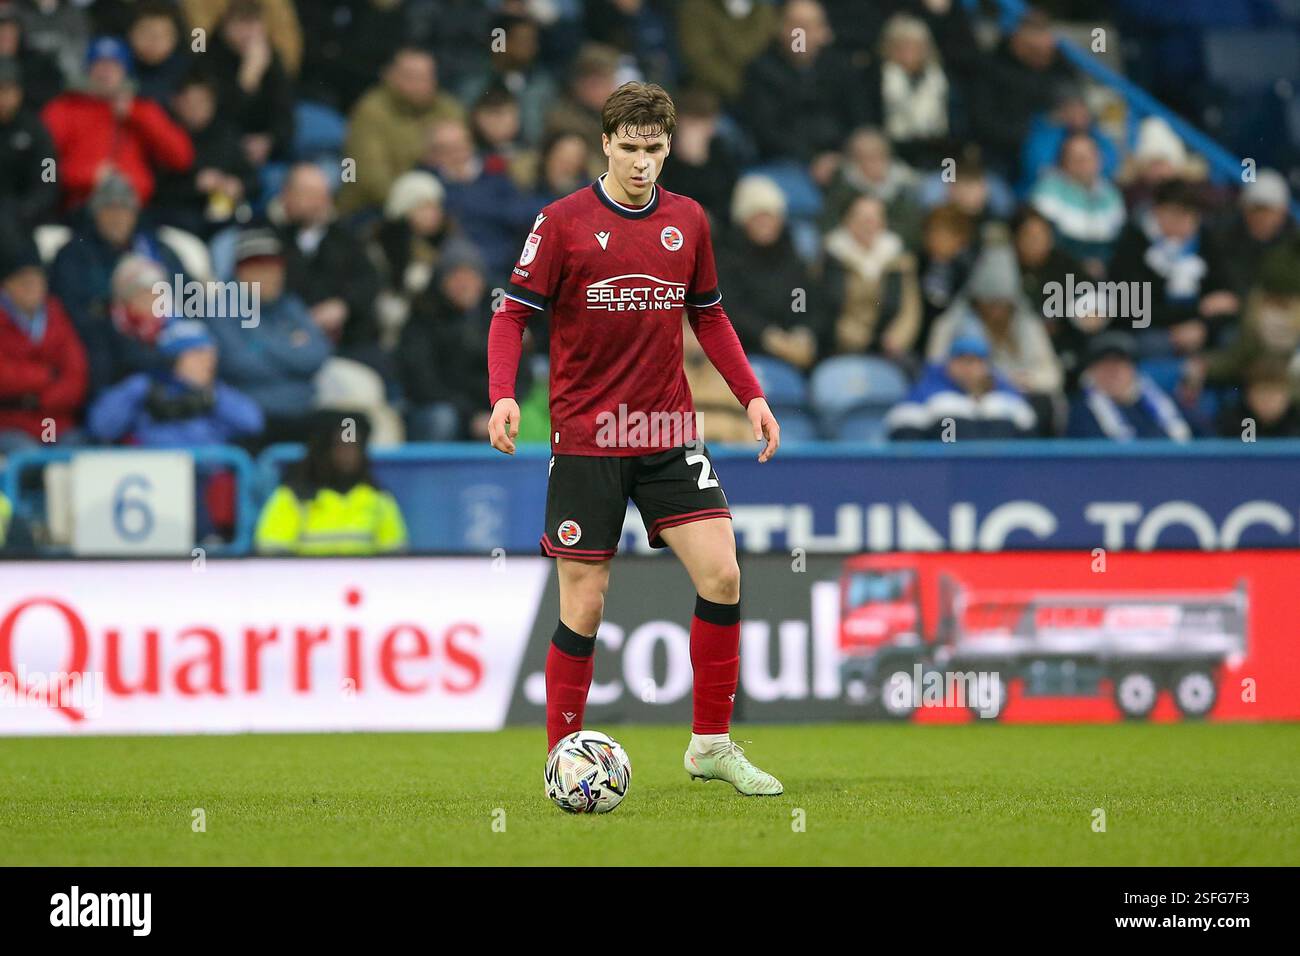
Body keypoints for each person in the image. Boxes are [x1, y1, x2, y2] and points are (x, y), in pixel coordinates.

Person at [486, 82, 784, 795]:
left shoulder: (689, 221)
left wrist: (752, 396)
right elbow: (510, 315)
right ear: (605, 144)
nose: (643, 163)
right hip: (588, 437)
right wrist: (501, 395)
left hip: (667, 429)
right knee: (584, 604)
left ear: (669, 146)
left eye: (654, 149)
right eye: (629, 148)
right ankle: (564, 759)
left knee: (723, 573)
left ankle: (710, 744)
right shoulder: (560, 223)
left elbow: (708, 316)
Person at [40, 35, 193, 211]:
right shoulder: (64, 108)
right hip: (80, 206)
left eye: (113, 65)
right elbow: (45, 163)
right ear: (88, 69)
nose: (106, 72)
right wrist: (87, 175)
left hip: (135, 208)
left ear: (125, 71)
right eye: (100, 65)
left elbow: (181, 157)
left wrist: (136, 115)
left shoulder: (142, 108)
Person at [209, 228, 332, 443]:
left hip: (303, 409)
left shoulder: (290, 304)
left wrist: (260, 342)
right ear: (241, 272)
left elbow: (318, 355)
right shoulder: (221, 309)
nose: (271, 276)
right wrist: (290, 345)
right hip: (252, 415)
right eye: (261, 269)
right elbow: (239, 364)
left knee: (351, 426)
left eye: (275, 268)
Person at [86, 318, 264, 446]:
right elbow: (101, 426)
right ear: (174, 359)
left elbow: (253, 422)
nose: (209, 363)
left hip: (202, 483)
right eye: (198, 354)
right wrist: (139, 390)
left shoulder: (215, 392)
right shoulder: (146, 388)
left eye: (211, 355)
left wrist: (212, 400)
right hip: (154, 482)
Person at [254, 411, 408, 555]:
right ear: (323, 451)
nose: (348, 456)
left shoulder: (379, 498)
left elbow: (394, 555)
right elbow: (272, 554)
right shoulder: (292, 497)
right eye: (341, 447)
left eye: (354, 447)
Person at [0, 232, 87, 451]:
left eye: (36, 279)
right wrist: (47, 375)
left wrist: (40, 400)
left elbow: (76, 376)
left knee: (79, 452)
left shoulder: (57, 315)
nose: (31, 286)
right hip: (10, 424)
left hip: (56, 423)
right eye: (22, 280)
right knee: (27, 456)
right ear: (6, 285)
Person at [886, 330, 1037, 440]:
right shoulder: (927, 392)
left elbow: (1028, 441)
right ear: (950, 363)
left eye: (976, 361)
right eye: (963, 361)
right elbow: (905, 439)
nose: (970, 369)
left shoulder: (1007, 397)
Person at [1066, 332, 1192, 441]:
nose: (1113, 374)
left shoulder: (1164, 400)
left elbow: (1202, 436)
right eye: (1105, 367)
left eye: (1119, 365)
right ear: (1092, 371)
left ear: (1132, 369)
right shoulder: (1081, 411)